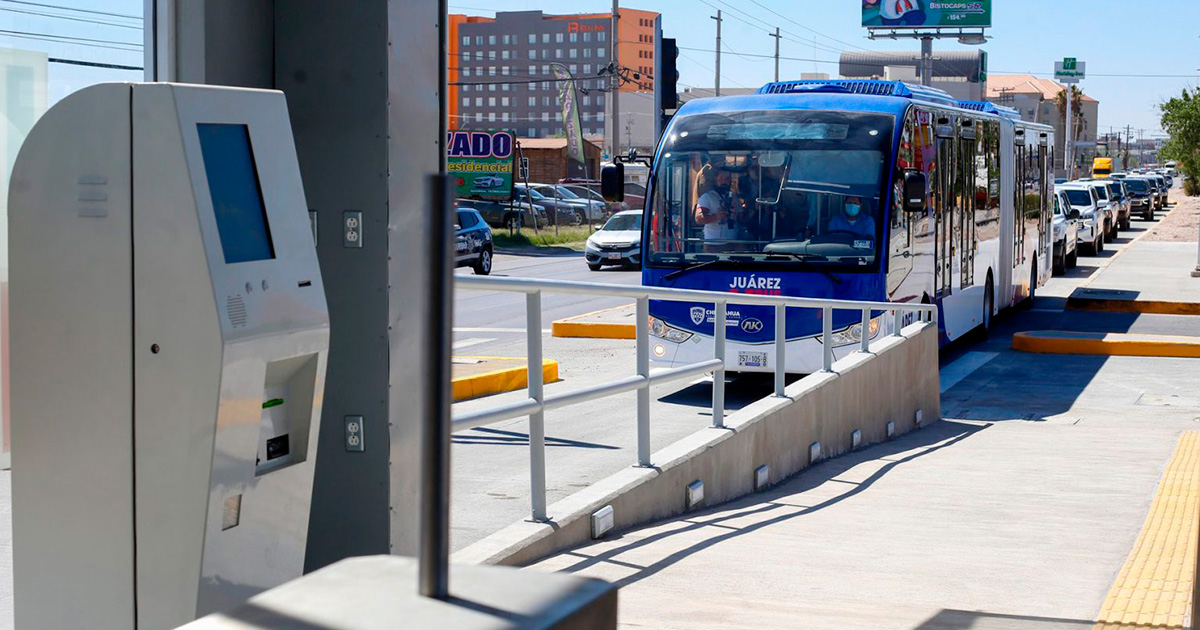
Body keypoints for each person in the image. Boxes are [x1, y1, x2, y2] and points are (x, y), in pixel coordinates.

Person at [693, 164, 737, 248]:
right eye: (721, 179)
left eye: (727, 179)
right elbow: (698, 219)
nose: (724, 182)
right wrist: (716, 216)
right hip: (713, 245)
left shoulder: (734, 198)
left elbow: (743, 219)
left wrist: (749, 213)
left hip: (733, 243)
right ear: (715, 180)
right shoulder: (707, 197)